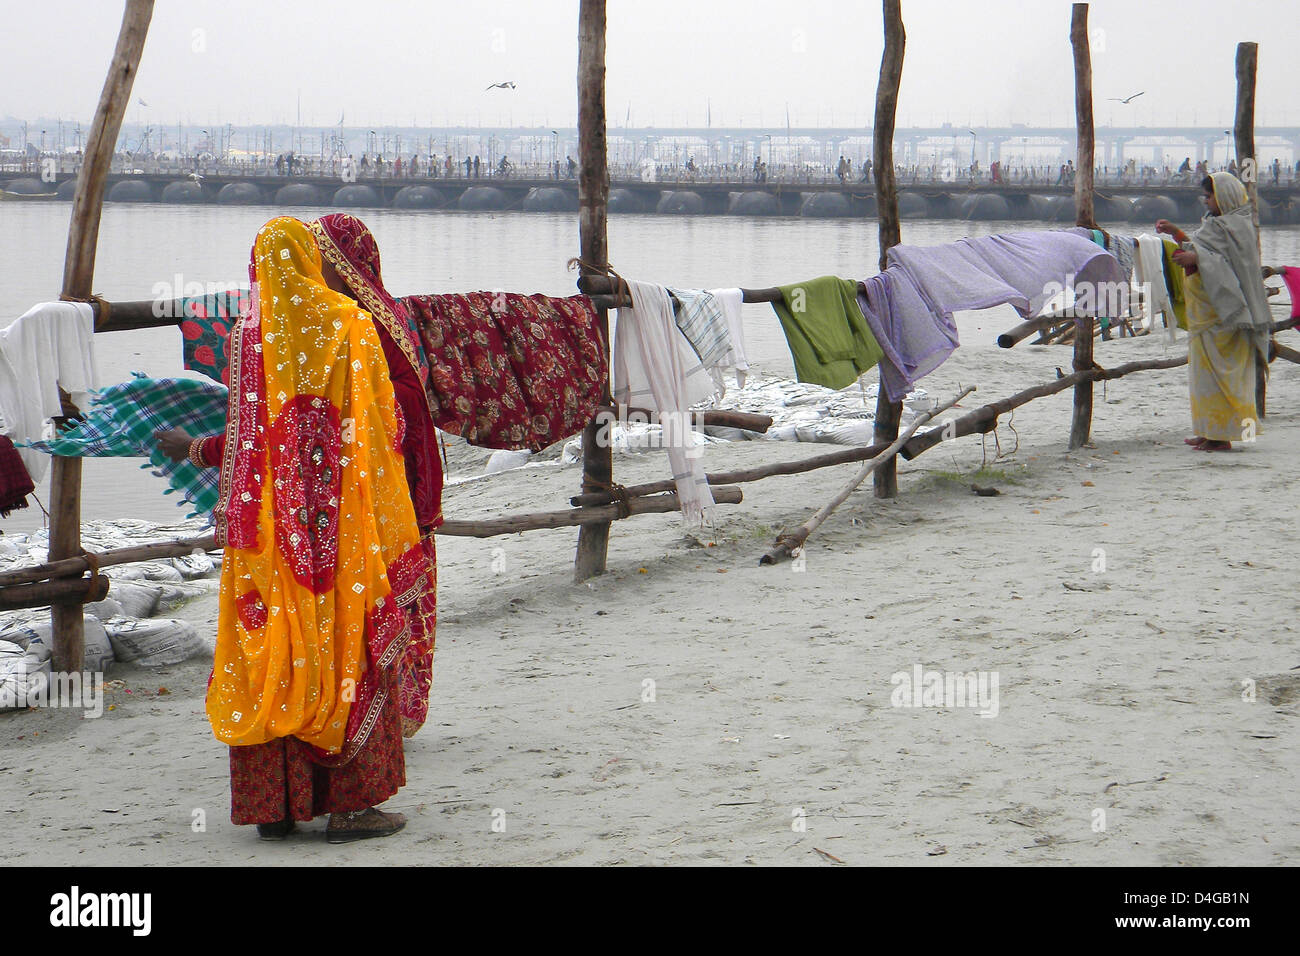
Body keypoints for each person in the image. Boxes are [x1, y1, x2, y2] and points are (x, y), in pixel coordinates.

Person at [160, 217, 438, 842]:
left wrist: (198, 450)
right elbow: (379, 432)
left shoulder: (247, 339)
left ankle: (274, 808)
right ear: (314, 260)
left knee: (272, 651)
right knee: (342, 647)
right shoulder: (350, 324)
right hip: (340, 530)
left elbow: (252, 444)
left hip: (265, 536)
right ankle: (348, 808)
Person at [1156, 173, 1271, 452]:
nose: (1206, 201)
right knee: (1203, 378)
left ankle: (1222, 437)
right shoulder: (1214, 224)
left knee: (1225, 377)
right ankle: (1208, 430)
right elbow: (1200, 249)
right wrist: (1175, 234)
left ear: (1225, 196)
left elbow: (1235, 268)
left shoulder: (1238, 226)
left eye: (1209, 196)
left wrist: (1196, 259)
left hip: (1226, 319)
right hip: (1205, 317)